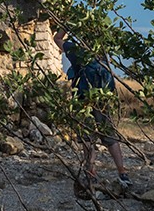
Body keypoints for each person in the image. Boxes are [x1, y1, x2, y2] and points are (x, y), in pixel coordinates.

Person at [53, 28, 132, 189]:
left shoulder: (75, 50)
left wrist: (66, 26)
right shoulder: (102, 52)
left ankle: (91, 172)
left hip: (83, 99)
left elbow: (57, 39)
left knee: (87, 138)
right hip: (102, 97)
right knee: (109, 135)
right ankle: (122, 172)